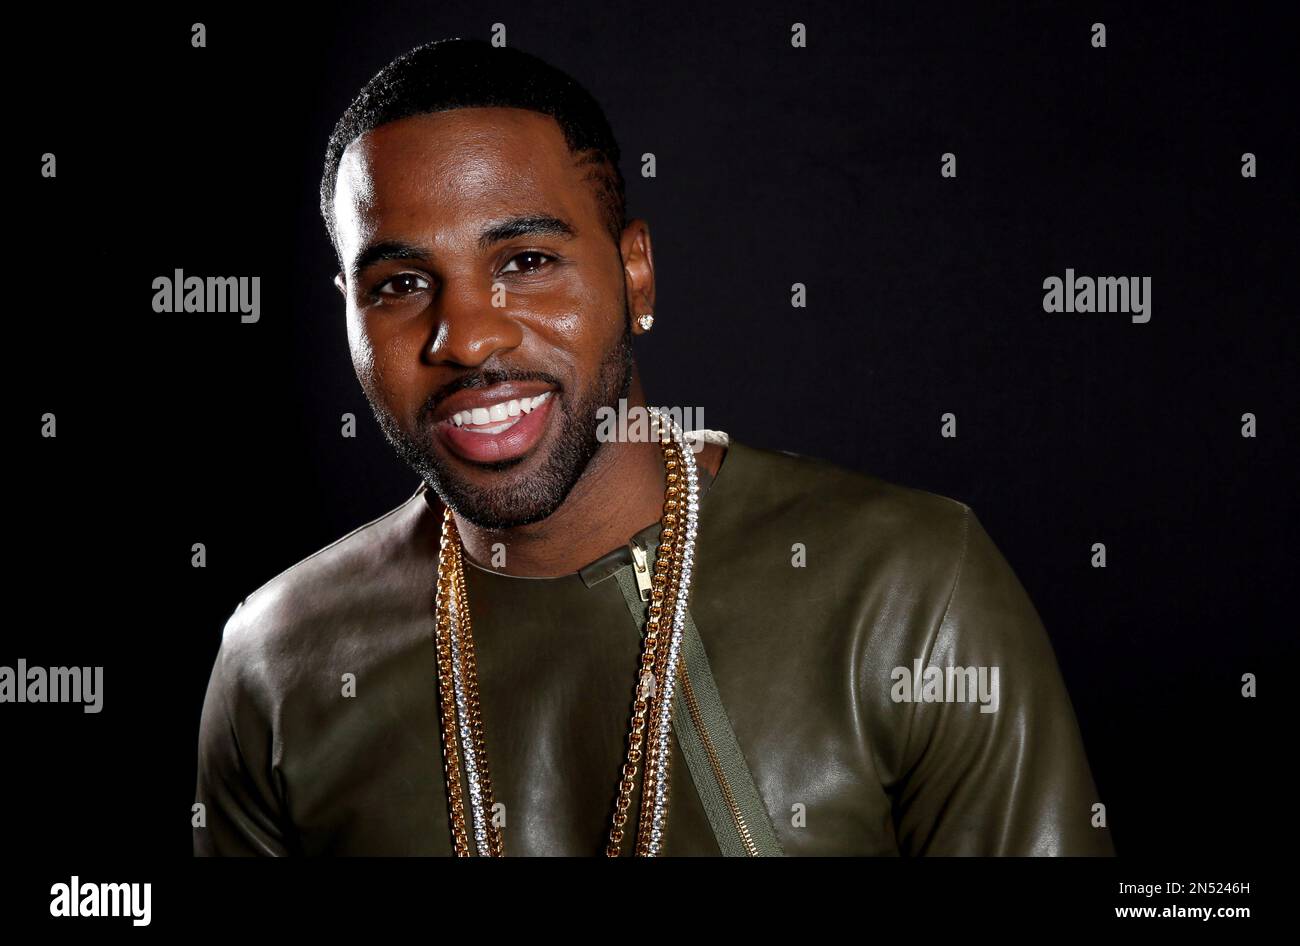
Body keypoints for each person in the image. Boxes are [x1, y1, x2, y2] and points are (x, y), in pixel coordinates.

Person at [193, 37, 1113, 856]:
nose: (467, 338)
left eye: (525, 262)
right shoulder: (280, 662)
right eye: (399, 284)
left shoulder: (908, 587)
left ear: (635, 273)